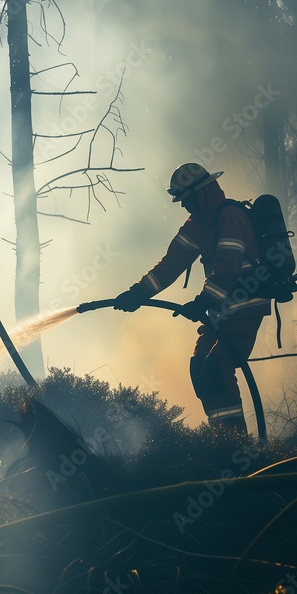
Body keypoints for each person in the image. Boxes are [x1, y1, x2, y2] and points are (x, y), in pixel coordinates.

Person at [113, 162, 270, 435]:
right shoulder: (198, 225)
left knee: (218, 363)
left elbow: (229, 265)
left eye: (186, 199)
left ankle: (239, 448)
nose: (184, 207)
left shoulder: (229, 215)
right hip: (222, 308)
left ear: (202, 193)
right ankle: (223, 441)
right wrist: (137, 293)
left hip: (246, 302)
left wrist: (204, 300)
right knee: (200, 365)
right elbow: (171, 264)